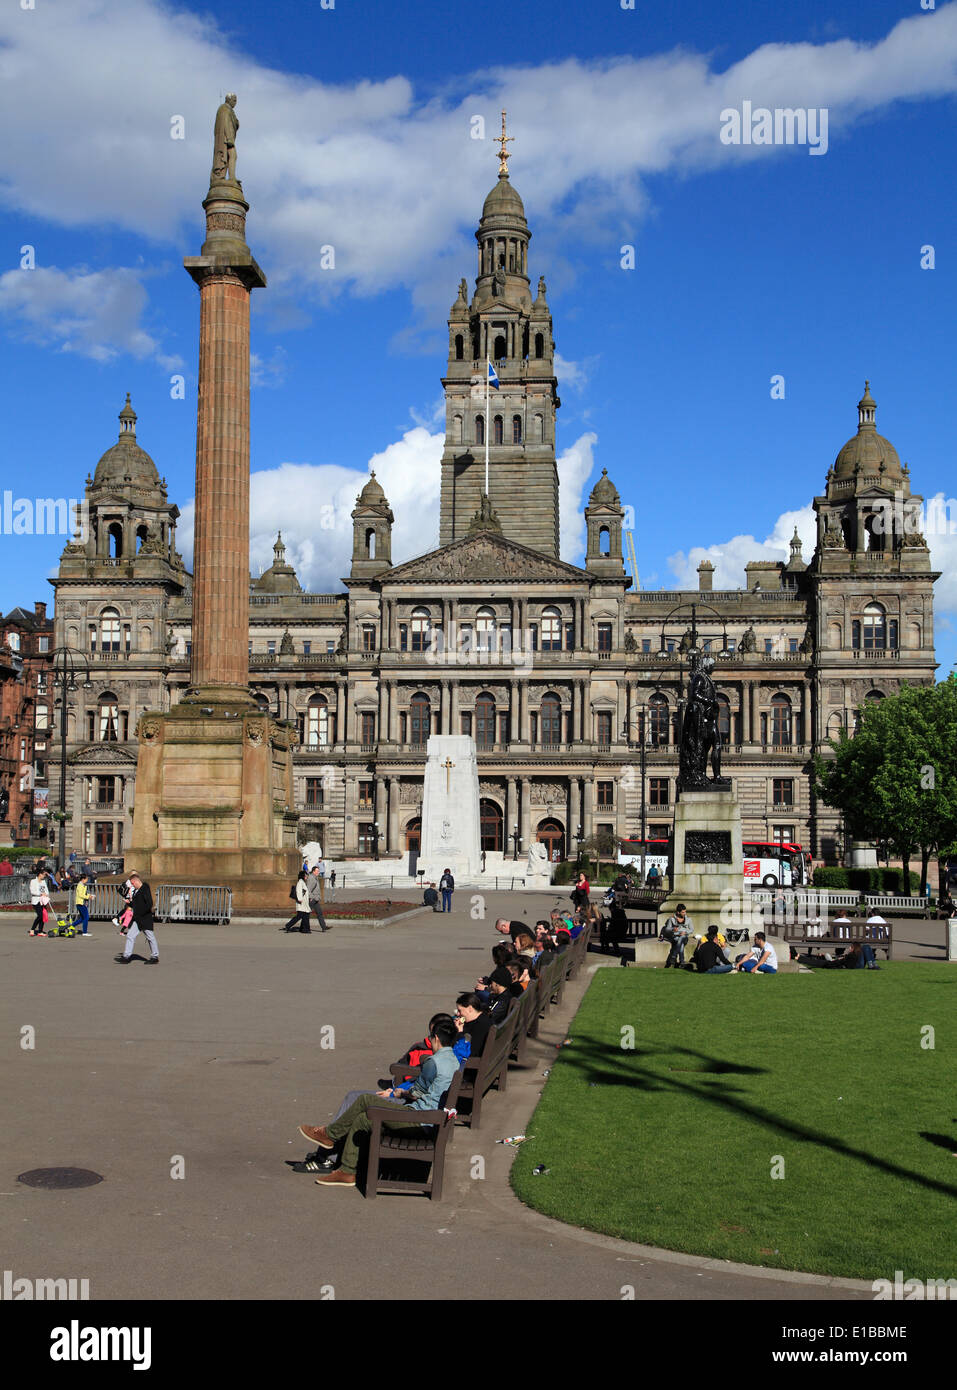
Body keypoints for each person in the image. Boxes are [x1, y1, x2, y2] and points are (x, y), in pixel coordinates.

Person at [299, 1018, 460, 1188]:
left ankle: (330, 1135)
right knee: (364, 1119)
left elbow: (416, 1093)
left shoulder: (433, 1062)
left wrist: (400, 1091)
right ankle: (347, 1171)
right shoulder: (454, 1061)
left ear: (436, 1038)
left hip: (418, 1120)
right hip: (431, 1120)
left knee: (365, 1099)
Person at [115, 872, 159, 964]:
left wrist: (140, 912)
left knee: (150, 937)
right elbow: (136, 905)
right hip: (137, 919)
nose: (132, 885)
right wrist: (129, 902)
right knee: (130, 936)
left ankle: (155, 957)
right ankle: (126, 956)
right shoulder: (137, 891)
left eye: (132, 883)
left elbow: (149, 904)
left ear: (135, 881)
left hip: (145, 918)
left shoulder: (145, 888)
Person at [660, 903, 693, 968]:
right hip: (675, 936)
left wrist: (685, 932)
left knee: (682, 937)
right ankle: (682, 961)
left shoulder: (689, 919)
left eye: (685, 912)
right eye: (683, 912)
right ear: (678, 912)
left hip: (684, 936)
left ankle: (674, 956)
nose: (685, 913)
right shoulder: (671, 919)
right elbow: (667, 929)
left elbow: (691, 929)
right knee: (680, 943)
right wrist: (673, 929)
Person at [307, 866, 331, 932]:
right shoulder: (311, 878)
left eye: (318, 871)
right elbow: (308, 889)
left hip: (316, 899)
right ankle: (291, 925)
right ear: (313, 871)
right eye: (317, 871)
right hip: (313, 899)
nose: (318, 872)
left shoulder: (315, 877)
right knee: (305, 914)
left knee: (319, 913)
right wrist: (311, 897)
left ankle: (323, 927)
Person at [72, 872, 92, 937]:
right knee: (86, 917)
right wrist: (88, 897)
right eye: (86, 879)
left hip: (82, 903)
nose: (87, 880)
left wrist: (89, 896)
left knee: (82, 918)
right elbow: (81, 895)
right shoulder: (80, 885)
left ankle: (72, 926)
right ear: (83, 879)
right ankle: (85, 932)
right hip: (80, 903)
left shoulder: (83, 885)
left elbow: (84, 894)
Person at [28, 868, 47, 935]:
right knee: (40, 915)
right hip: (36, 900)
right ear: (40, 874)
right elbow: (32, 891)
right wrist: (40, 894)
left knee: (43, 916)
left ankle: (40, 931)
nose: (44, 876)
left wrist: (46, 894)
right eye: (44, 874)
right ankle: (32, 929)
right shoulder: (33, 881)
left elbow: (46, 890)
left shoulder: (43, 882)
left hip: (43, 900)